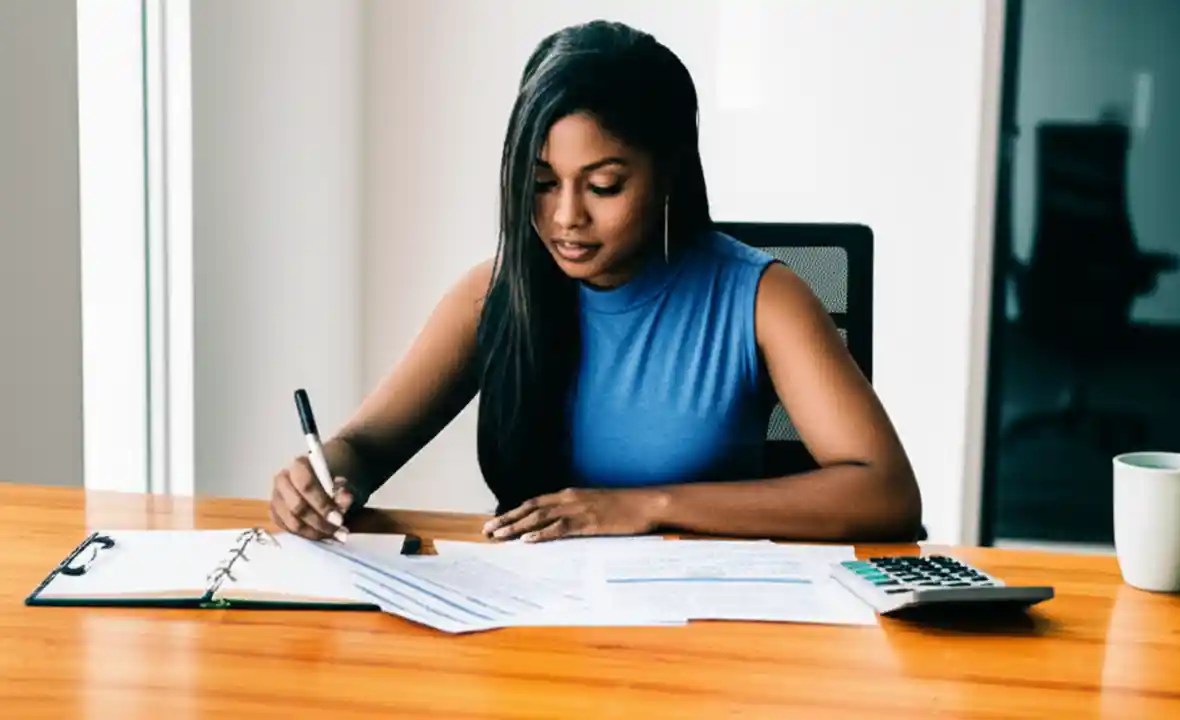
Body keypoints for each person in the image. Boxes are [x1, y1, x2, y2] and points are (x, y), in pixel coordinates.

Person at [269, 20, 920, 544]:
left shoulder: (761, 299)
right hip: (527, 627)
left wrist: (645, 507)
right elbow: (366, 446)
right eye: (542, 182)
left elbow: (885, 492)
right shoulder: (492, 295)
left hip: (699, 627)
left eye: (604, 185)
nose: (565, 217)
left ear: (668, 173)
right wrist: (323, 478)